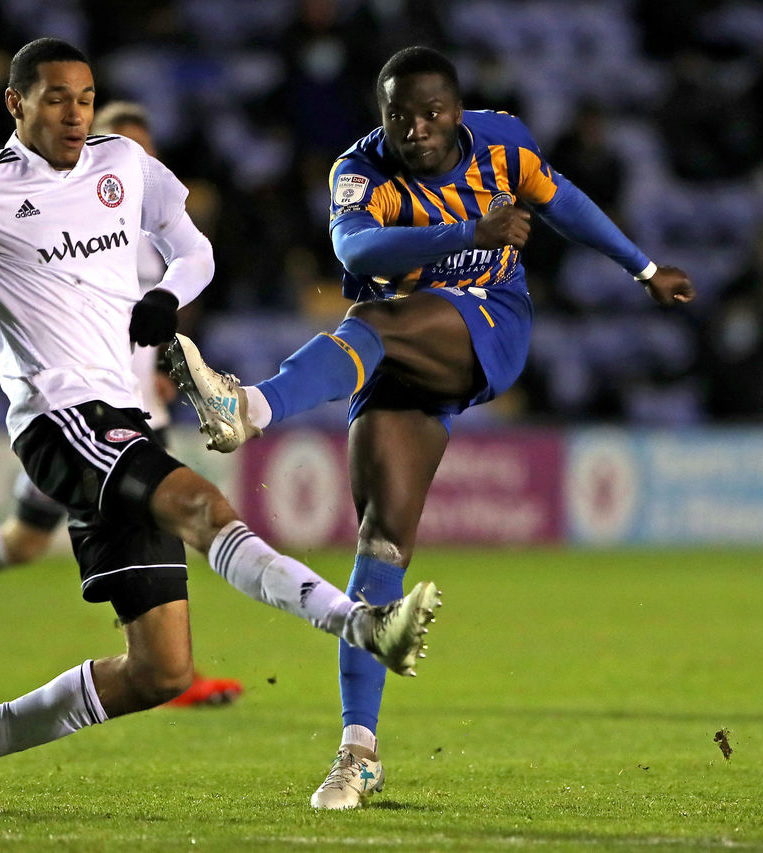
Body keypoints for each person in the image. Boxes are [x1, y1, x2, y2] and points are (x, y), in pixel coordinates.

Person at [0, 38, 442, 813]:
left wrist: (169, 291)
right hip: (57, 421)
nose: (75, 113)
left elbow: (191, 243)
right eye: (56, 97)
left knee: (161, 670)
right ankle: (365, 625)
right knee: (206, 508)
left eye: (86, 96)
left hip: (125, 420)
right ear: (16, 103)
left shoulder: (121, 166)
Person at [168, 46, 695, 810]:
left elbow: (562, 198)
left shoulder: (505, 141)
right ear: (381, 113)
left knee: (374, 319)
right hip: (408, 353)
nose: (415, 128)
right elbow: (354, 247)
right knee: (380, 545)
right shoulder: (360, 170)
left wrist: (643, 270)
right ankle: (359, 751)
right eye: (398, 114)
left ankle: (250, 408)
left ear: (455, 110)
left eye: (430, 113)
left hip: (489, 325)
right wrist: (466, 231)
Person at [0, 100, 244, 707]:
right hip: (79, 418)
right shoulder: (66, 217)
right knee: (40, 539)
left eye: (146, 153)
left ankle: (161, 669)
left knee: (40, 539)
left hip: (137, 412)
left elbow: (148, 318)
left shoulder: (156, 236)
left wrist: (163, 370)